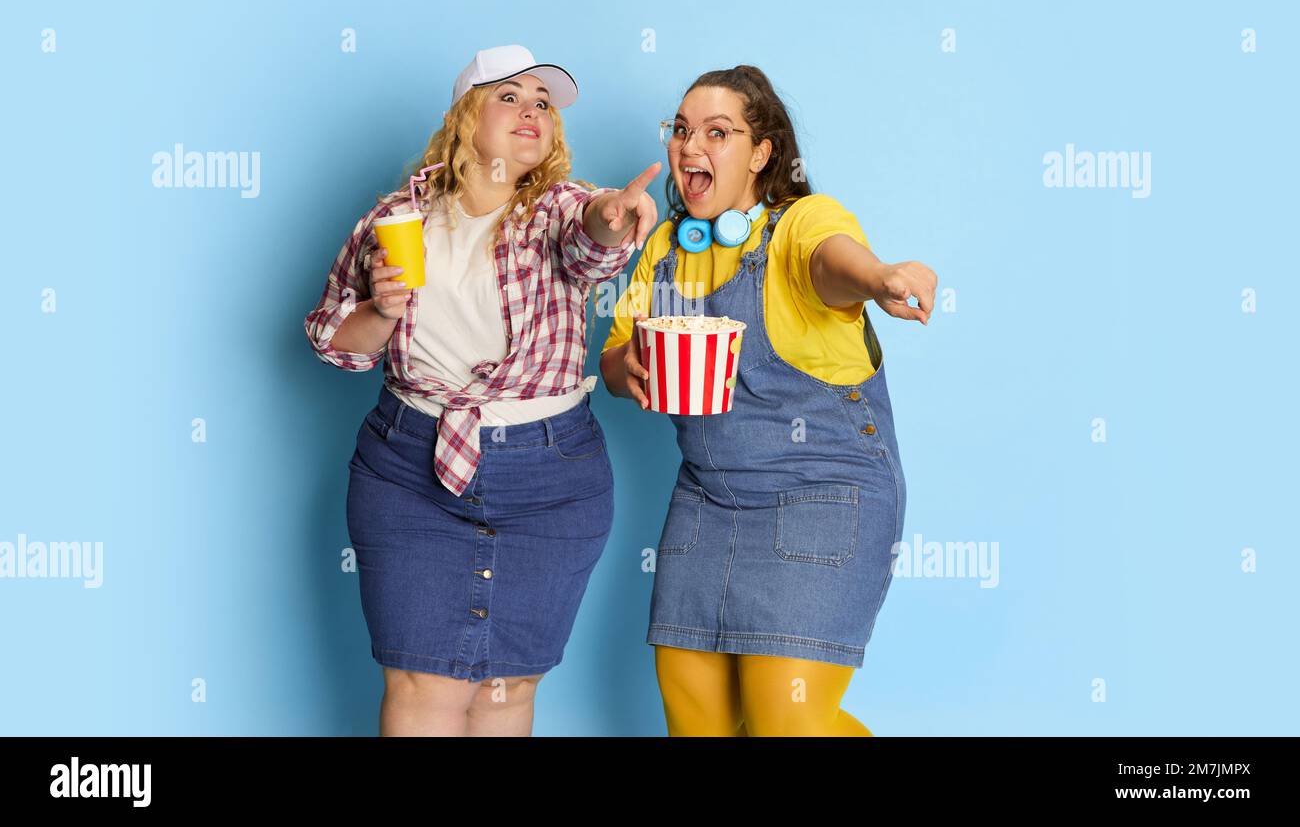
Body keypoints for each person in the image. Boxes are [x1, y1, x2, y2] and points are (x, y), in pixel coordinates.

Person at [304, 44, 659, 736]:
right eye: (510, 96)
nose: (532, 110)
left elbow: (593, 241)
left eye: (543, 104)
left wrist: (613, 219)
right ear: (468, 114)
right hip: (409, 466)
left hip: (551, 474)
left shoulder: (562, 208)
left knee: (505, 689)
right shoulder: (396, 218)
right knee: (421, 685)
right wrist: (379, 311)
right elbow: (329, 338)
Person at [600, 65, 937, 736]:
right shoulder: (665, 250)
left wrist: (878, 277)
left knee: (784, 716)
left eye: (718, 132)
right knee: (696, 715)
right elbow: (614, 354)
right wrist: (624, 366)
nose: (691, 145)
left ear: (762, 153)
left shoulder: (801, 225)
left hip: (823, 494)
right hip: (707, 497)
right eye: (682, 130)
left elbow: (832, 261)